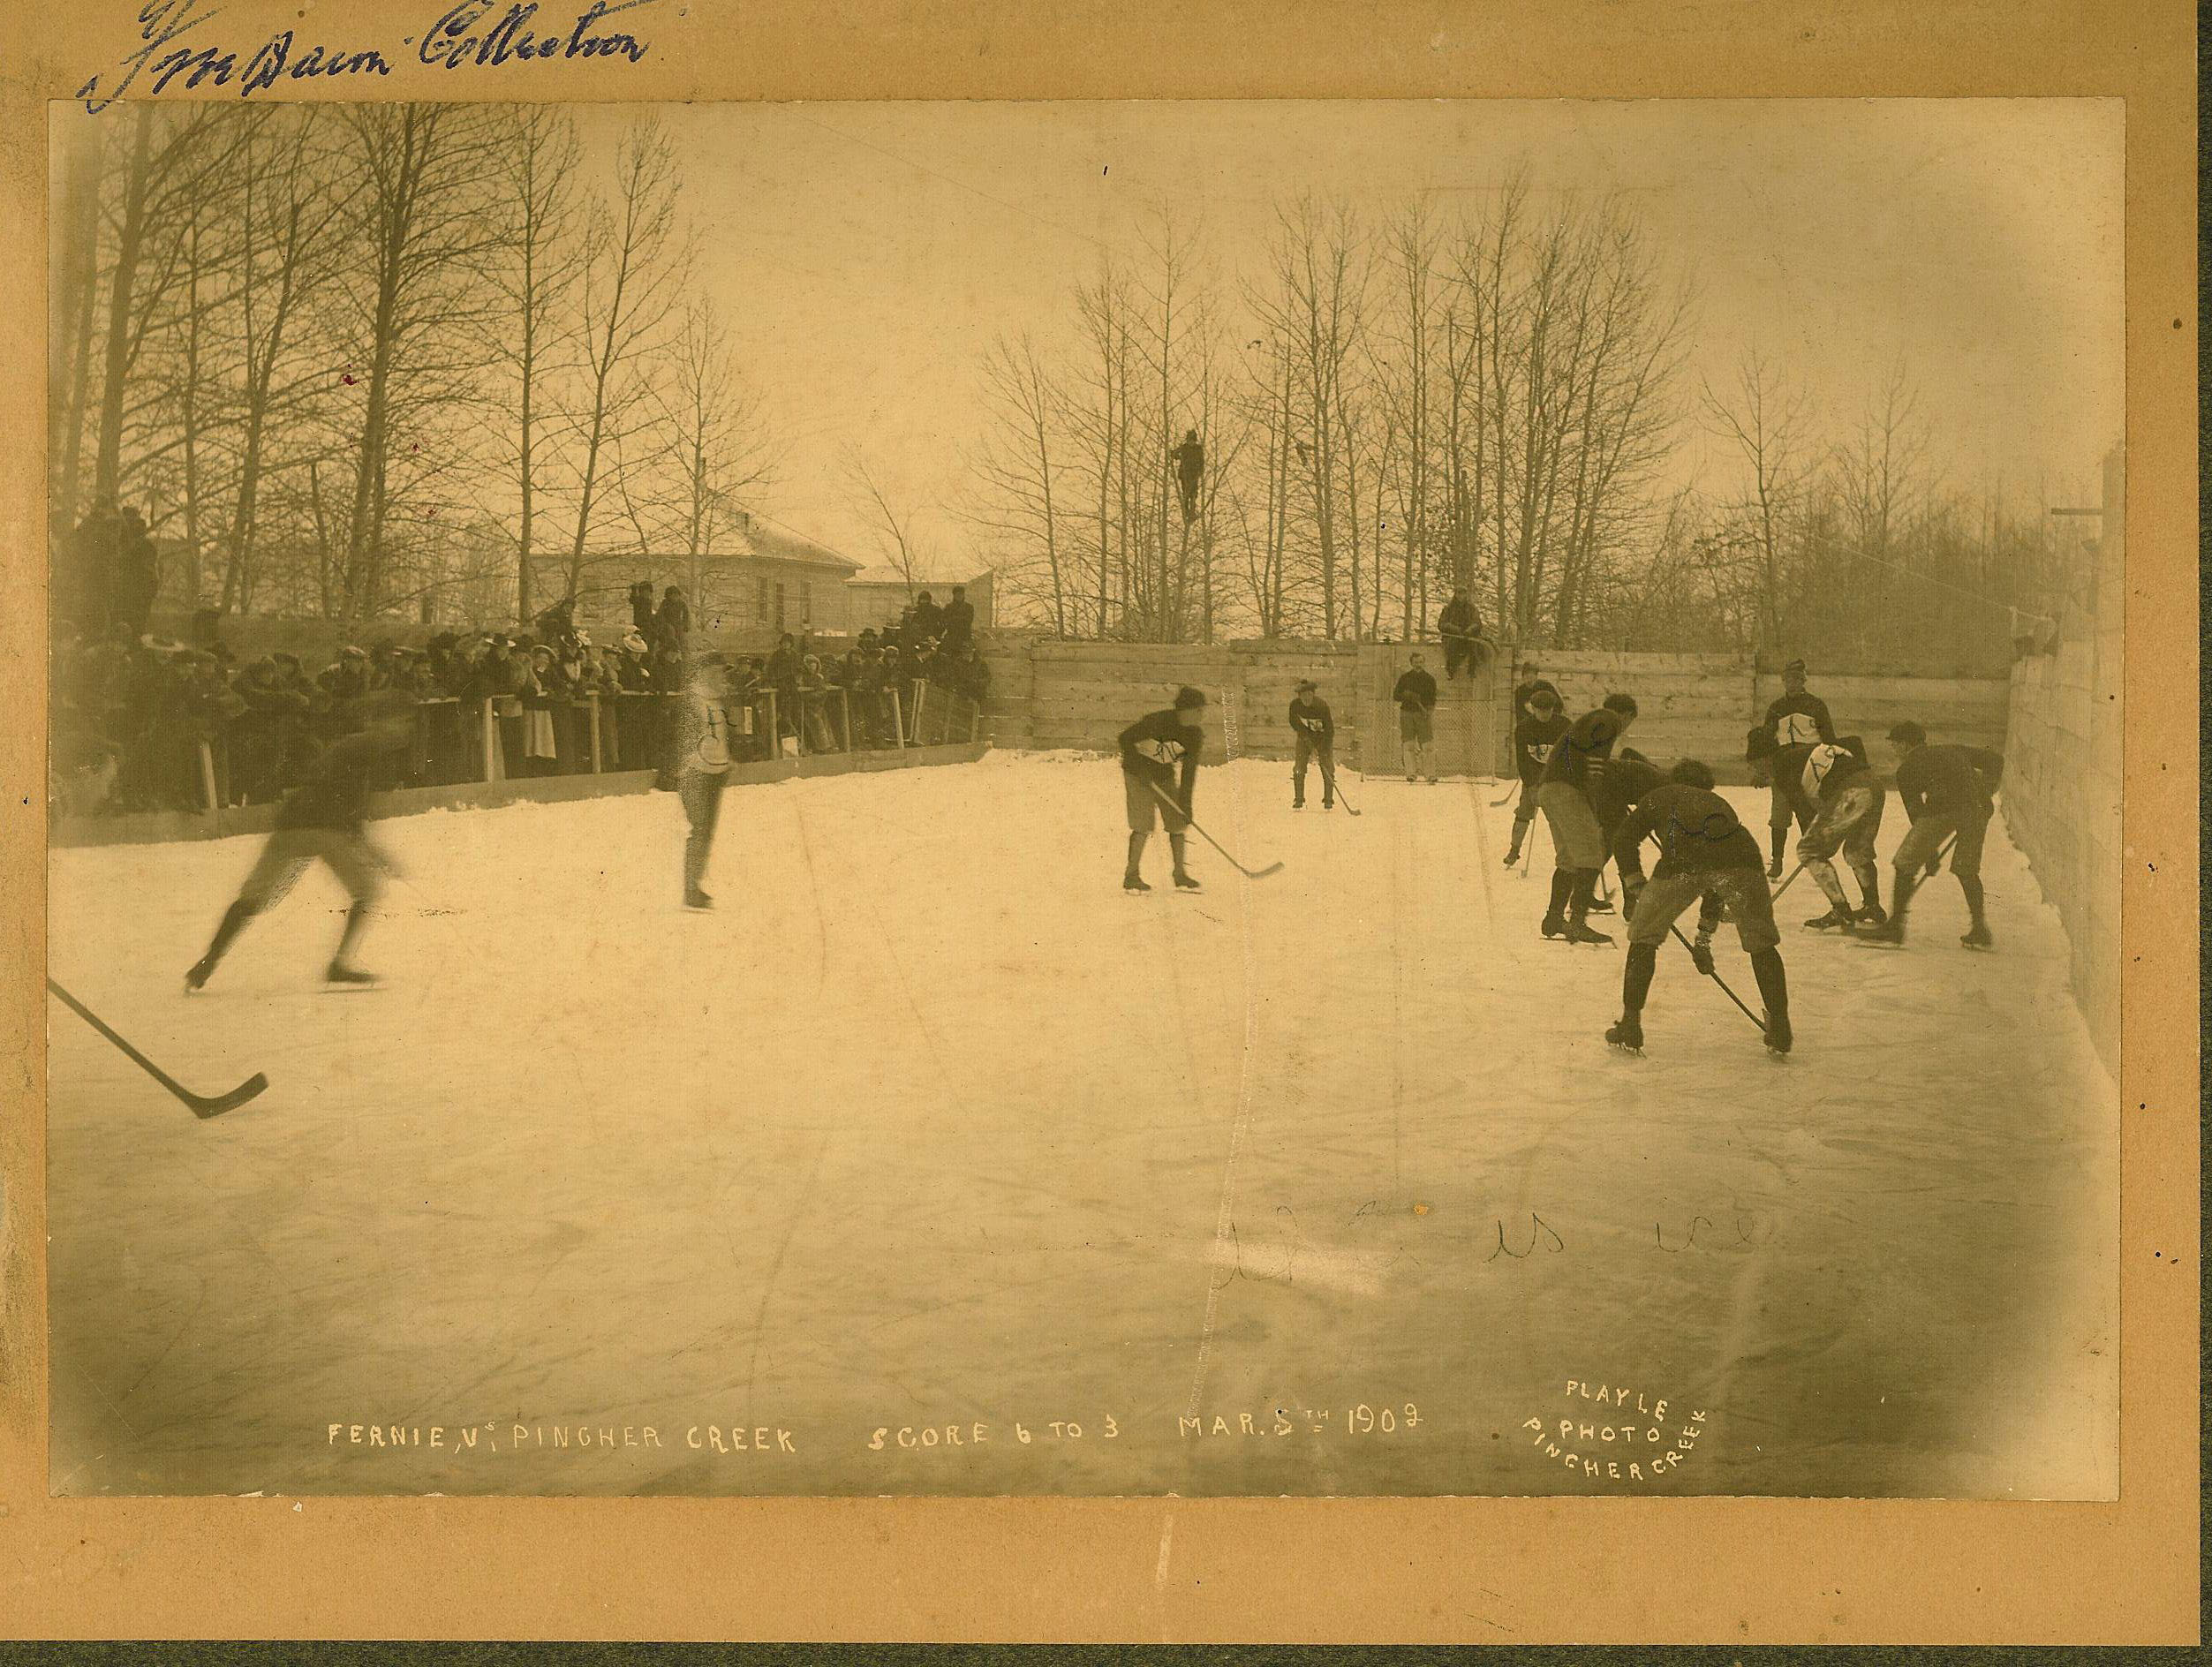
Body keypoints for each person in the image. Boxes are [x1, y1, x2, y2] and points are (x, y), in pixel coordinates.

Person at [185, 691, 416, 991]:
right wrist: (374, 852)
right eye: (403, 721)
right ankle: (341, 963)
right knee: (368, 890)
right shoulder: (369, 745)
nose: (406, 729)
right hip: (323, 829)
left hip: (293, 825)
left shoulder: (359, 746)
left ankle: (207, 964)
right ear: (385, 721)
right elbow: (350, 807)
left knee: (255, 899)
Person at [1607, 758, 1792, 1056]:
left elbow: (1623, 838)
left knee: (1643, 936)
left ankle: (1630, 1023)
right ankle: (1781, 1027)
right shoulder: (1719, 803)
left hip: (1683, 863)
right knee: (1762, 943)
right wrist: (1703, 940)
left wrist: (1635, 882)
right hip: (1744, 859)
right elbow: (1717, 881)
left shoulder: (1659, 795)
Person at [1861, 722, 2004, 948]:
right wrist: (1984, 792)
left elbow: (1917, 814)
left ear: (1906, 745)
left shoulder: (1906, 770)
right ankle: (1980, 929)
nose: (1893, 750)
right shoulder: (1951, 749)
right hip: (1977, 809)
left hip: (1942, 811)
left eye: (1895, 745)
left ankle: (1895, 927)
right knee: (1966, 868)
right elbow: (1996, 761)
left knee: (1904, 862)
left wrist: (1929, 853)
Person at [1535, 692, 1637, 944]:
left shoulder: (1591, 719)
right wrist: (1596, 794)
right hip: (1567, 790)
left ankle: (1554, 918)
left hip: (1549, 789)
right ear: (1626, 715)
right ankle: (1578, 923)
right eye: (1630, 722)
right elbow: (1595, 761)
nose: (1625, 728)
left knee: (1569, 858)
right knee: (1592, 853)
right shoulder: (1609, 719)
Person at [1117, 685, 1205, 893]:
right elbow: (1125, 739)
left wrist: (1186, 805)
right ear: (1185, 710)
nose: (1202, 715)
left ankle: (1180, 874)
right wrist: (1141, 770)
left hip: (1163, 775)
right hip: (1137, 774)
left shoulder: (1194, 734)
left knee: (1177, 822)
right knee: (1143, 824)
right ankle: (1132, 876)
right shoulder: (1158, 721)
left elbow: (1189, 771)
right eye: (1198, 710)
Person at [1797, 738, 1888, 930]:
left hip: (1852, 791)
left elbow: (1806, 810)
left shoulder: (1787, 765)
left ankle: (1840, 910)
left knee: (1808, 850)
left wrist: (1815, 841)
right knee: (1857, 851)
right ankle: (1872, 906)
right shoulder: (1820, 750)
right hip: (1874, 785)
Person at [1755, 659, 1835, 877]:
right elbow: (1767, 739)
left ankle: (1813, 855)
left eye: (1796, 679)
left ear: (1803, 681)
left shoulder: (1816, 705)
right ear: (1783, 681)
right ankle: (1777, 860)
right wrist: (1766, 769)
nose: (1791, 683)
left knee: (1808, 810)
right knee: (1779, 813)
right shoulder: (1776, 708)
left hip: (1809, 765)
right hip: (1783, 766)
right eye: (1787, 679)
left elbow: (1828, 738)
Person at [672, 654, 736, 910]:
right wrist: (684, 765)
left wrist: (729, 759)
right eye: (719, 672)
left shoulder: (720, 701)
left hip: (716, 772)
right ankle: (690, 890)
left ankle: (694, 886)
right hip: (695, 774)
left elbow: (725, 733)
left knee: (705, 831)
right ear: (706, 673)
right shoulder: (692, 701)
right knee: (699, 830)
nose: (723, 678)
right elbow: (677, 735)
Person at [1502, 679, 1567, 866]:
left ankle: (1563, 855)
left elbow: (1568, 756)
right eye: (1540, 710)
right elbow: (1523, 761)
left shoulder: (1564, 725)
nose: (1545, 714)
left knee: (1556, 816)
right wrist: (1531, 785)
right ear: (1533, 708)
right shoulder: (1524, 728)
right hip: (1533, 775)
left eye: (1548, 710)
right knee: (1524, 812)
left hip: (1555, 777)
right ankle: (1514, 850)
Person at [1287, 679, 1336, 810]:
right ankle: (1298, 799)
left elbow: (1330, 730)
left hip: (1323, 739)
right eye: (1303, 695)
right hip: (1305, 739)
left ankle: (1328, 800)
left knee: (1328, 768)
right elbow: (1295, 724)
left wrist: (1320, 748)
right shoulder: (1295, 706)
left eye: (1309, 694)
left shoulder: (1322, 706)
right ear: (1299, 696)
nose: (1306, 698)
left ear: (1313, 694)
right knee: (1299, 768)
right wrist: (1307, 742)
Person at [1393, 651, 1438, 783]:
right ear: (1411, 663)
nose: (1418, 665)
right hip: (1406, 714)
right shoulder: (1405, 678)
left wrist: (1428, 712)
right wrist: (1406, 696)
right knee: (1409, 745)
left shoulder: (1429, 679)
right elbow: (1396, 696)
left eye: (1421, 662)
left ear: (1424, 663)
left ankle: (1430, 775)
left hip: (1422, 714)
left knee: (1427, 746)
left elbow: (1432, 699)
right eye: (1416, 662)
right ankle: (1411, 774)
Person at [1437, 589, 1484, 679]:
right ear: (1455, 595)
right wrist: (1454, 629)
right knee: (1452, 647)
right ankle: (1451, 670)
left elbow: (1477, 623)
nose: (1461, 596)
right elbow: (1441, 624)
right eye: (1459, 593)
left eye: (1463, 593)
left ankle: (1472, 670)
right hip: (1452, 636)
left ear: (1466, 595)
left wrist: (1469, 630)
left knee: (1475, 646)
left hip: (1468, 636)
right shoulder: (1448, 609)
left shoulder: (1472, 609)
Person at [1171, 428, 1204, 524]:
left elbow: (1202, 461)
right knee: (1185, 494)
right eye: (1190, 441)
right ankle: (1186, 512)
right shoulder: (1184, 447)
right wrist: (1177, 457)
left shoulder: (1198, 449)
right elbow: (1174, 454)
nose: (1191, 443)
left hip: (1194, 475)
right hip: (1184, 475)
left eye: (1193, 441)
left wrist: (1200, 472)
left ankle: (1192, 513)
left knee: (1194, 494)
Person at [939, 585, 976, 653]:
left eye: (961, 594)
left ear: (964, 595)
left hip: (965, 636)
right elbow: (945, 621)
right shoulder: (949, 607)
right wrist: (958, 620)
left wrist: (953, 619)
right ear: (954, 595)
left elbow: (968, 621)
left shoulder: (969, 607)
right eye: (957, 594)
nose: (959, 596)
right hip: (952, 637)